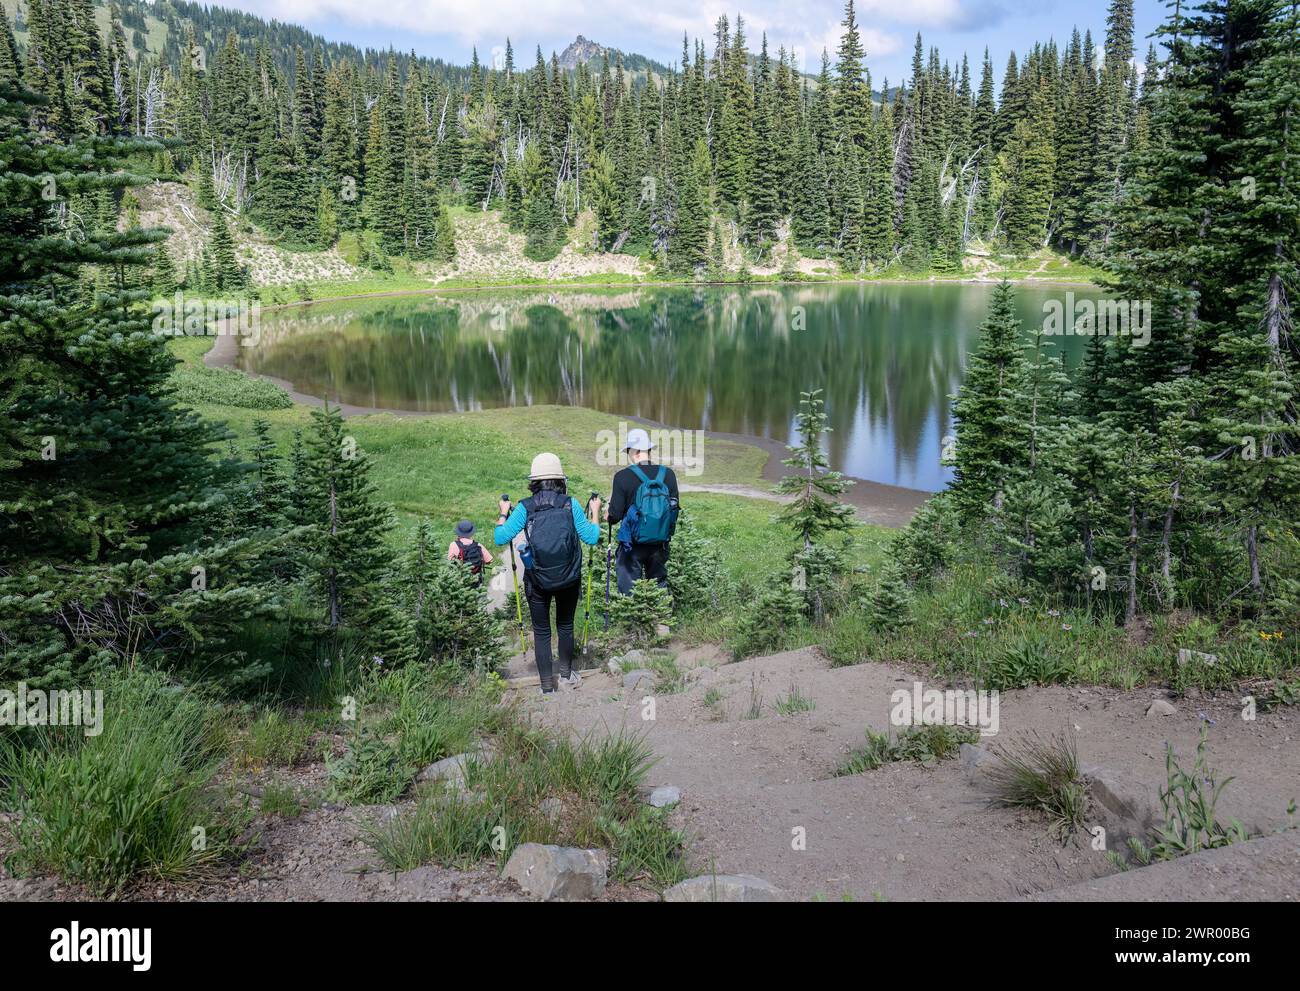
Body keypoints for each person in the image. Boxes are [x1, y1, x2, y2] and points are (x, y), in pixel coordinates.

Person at [494, 453, 600, 694]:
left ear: (534, 482)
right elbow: (592, 537)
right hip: (568, 579)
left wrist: (503, 512)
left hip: (537, 580)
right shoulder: (570, 504)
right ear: (561, 480)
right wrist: (594, 511)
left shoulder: (525, 507)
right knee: (565, 626)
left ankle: (546, 688)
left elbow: (500, 537)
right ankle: (565, 677)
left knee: (541, 632)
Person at [606, 427, 679, 596]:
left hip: (632, 545)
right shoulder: (668, 475)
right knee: (659, 586)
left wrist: (607, 515)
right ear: (648, 450)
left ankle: (632, 621)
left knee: (629, 590)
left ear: (635, 451)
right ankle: (661, 621)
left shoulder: (622, 477)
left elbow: (614, 516)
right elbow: (673, 509)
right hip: (660, 543)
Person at [447, 520, 492, 584]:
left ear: (458, 532)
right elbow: (489, 561)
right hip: (476, 580)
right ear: (471, 533)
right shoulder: (478, 545)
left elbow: (450, 562)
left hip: (459, 581)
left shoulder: (454, 545)